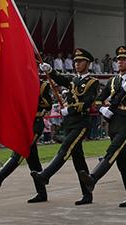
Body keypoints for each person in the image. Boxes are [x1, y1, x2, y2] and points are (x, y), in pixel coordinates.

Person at [31, 48, 101, 205]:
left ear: (88, 63)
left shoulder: (92, 82)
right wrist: (50, 70)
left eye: (80, 61)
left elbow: (87, 102)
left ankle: (46, 175)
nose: (77, 64)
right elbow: (60, 79)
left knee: (65, 147)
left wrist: (69, 109)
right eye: (75, 61)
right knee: (79, 161)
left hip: (81, 123)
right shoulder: (72, 80)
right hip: (69, 123)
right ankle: (87, 194)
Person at [77, 46, 126, 207]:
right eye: (118, 59)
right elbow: (99, 99)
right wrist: (103, 109)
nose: (119, 62)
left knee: (113, 150)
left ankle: (93, 177)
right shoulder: (114, 80)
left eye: (123, 59)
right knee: (123, 163)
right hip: (113, 122)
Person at [0, 61, 55, 203]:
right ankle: (42, 193)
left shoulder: (43, 85)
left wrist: (31, 98)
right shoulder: (20, 85)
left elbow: (48, 104)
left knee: (21, 150)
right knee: (33, 161)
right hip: (24, 123)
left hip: (35, 123)